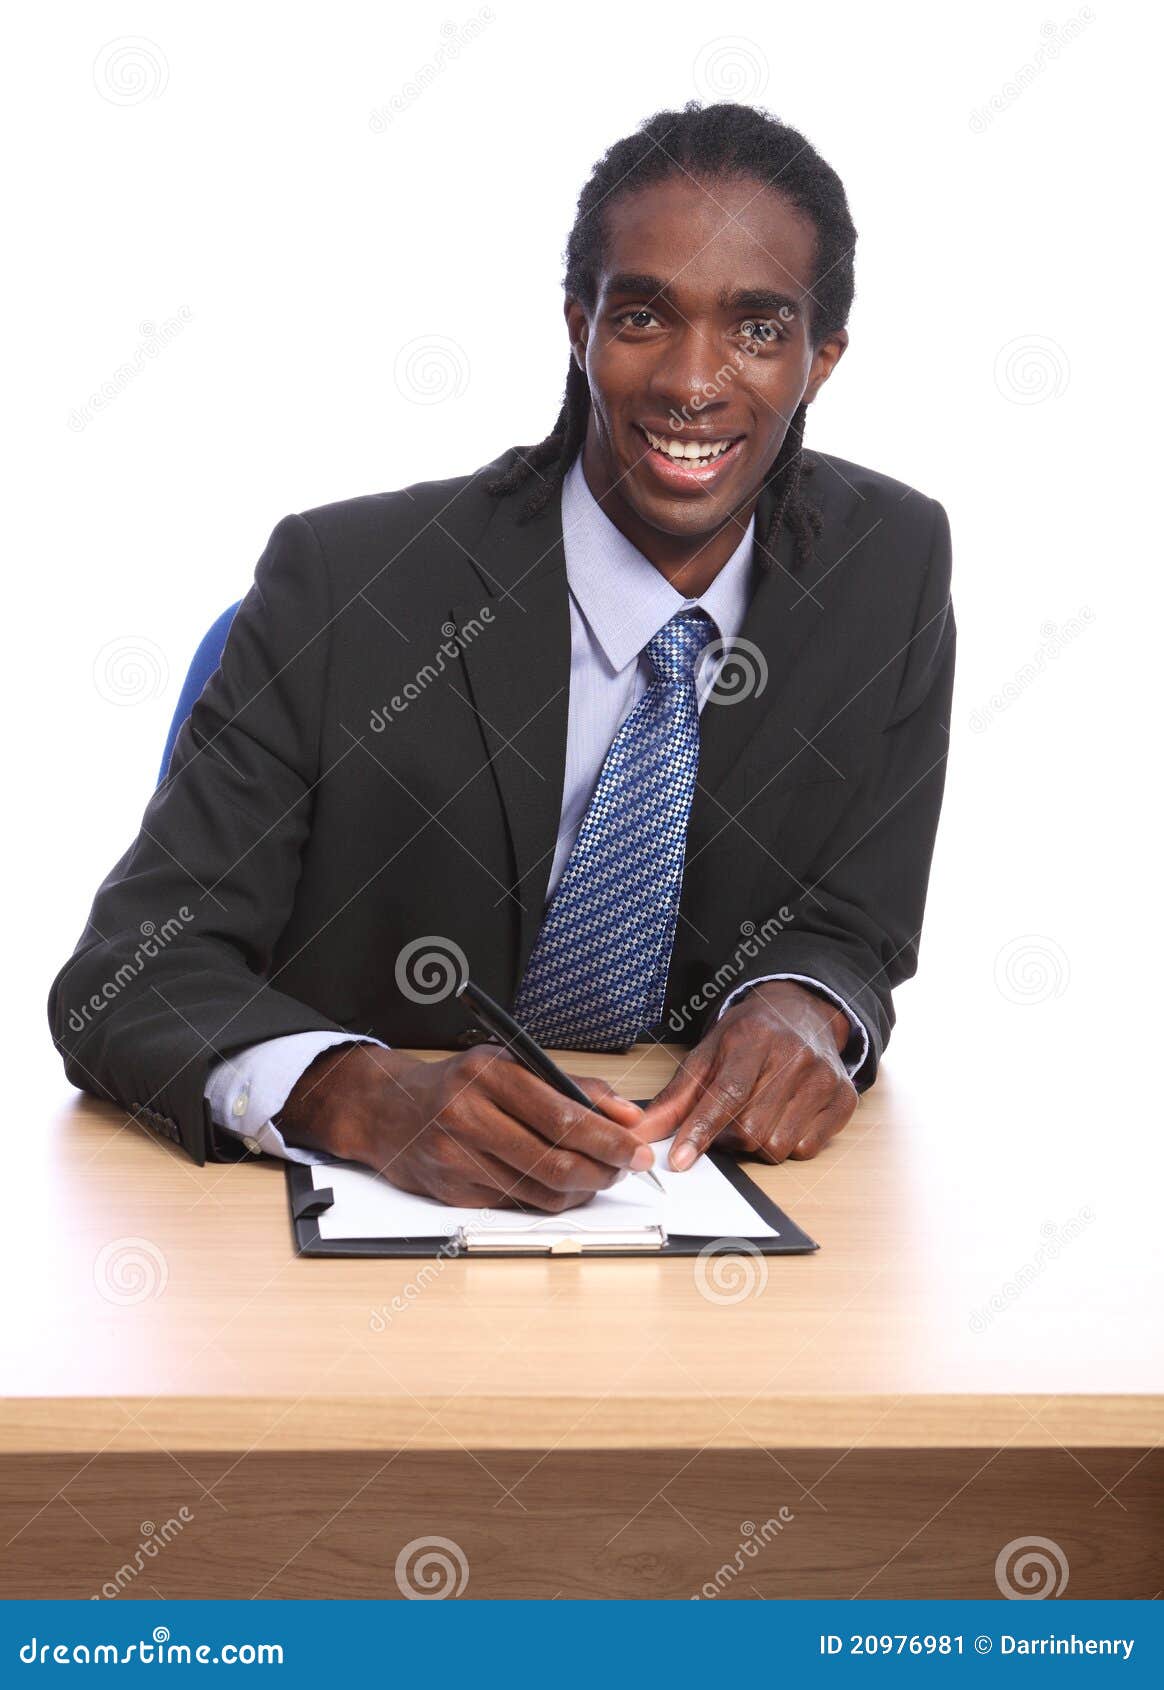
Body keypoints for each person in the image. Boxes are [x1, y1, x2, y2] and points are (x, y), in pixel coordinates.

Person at [48, 101, 955, 1213]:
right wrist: (356, 1093)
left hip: (683, 1223)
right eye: (642, 317)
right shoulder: (346, 582)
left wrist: (807, 1002)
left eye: (760, 329)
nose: (692, 380)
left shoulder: (889, 566)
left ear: (823, 360)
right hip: (339, 1241)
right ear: (578, 326)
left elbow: (856, 921)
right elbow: (121, 982)